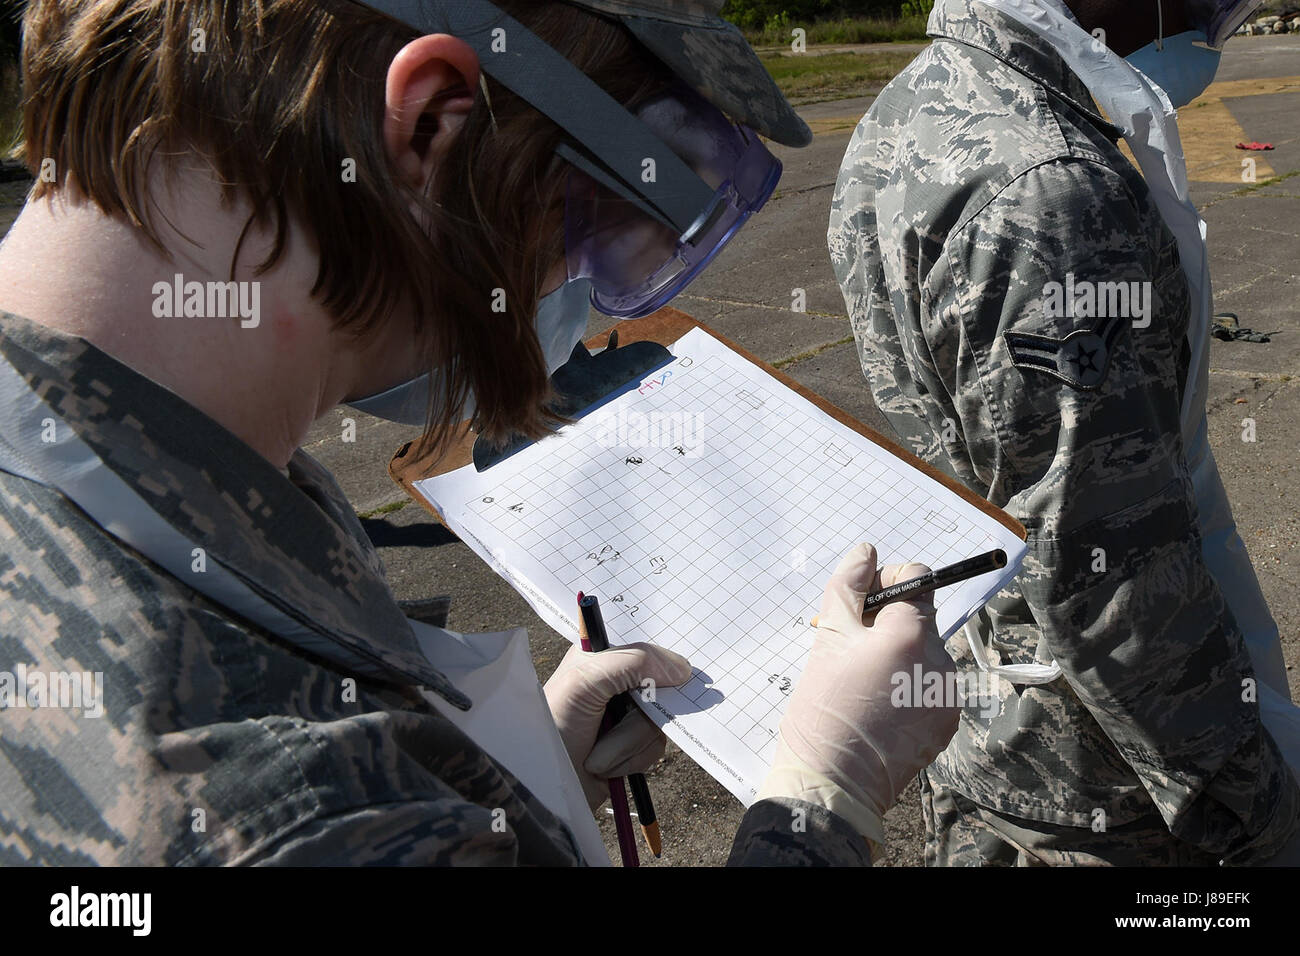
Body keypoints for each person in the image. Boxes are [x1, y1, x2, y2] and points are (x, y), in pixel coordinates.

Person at [0, 0, 957, 866]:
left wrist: (500, 791)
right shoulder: (279, 808)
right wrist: (827, 797)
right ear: (427, 125)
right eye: (589, 217)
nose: (574, 294)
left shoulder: (165, 469)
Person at [828, 0, 1300, 865]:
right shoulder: (1053, 189)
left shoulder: (912, 108)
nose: (1216, 16)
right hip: (1108, 793)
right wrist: (1258, 808)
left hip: (975, 719)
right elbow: (1104, 562)